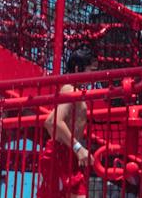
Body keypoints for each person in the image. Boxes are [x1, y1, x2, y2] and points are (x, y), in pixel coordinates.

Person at [44, 44, 99, 198]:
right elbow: (52, 121)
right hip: (61, 154)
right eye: (91, 70)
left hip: (66, 155)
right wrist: (78, 148)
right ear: (77, 68)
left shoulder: (73, 91)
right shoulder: (70, 90)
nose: (94, 75)